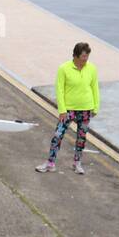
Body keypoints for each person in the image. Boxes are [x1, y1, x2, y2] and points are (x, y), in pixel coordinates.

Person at [37, 42, 99, 175]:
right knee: (58, 135)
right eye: (83, 57)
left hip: (86, 108)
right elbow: (59, 90)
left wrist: (95, 107)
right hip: (69, 110)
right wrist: (62, 110)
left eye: (87, 56)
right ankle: (50, 163)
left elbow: (94, 87)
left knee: (81, 138)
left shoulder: (92, 68)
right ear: (75, 56)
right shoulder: (64, 68)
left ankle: (77, 163)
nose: (85, 59)